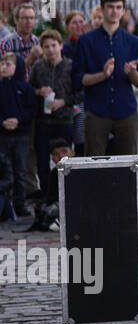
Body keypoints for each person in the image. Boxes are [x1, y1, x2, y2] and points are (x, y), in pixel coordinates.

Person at [72, 0, 138, 156]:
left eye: (119, 7)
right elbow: (78, 79)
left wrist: (132, 73)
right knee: (94, 163)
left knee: (128, 165)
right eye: (110, 7)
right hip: (97, 110)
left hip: (126, 110)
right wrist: (102, 75)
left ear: (123, 10)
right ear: (103, 9)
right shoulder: (86, 41)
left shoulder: (133, 41)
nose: (114, 11)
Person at [28, 30, 77, 204]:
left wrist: (63, 102)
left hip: (65, 120)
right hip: (44, 122)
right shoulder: (38, 67)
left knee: (64, 162)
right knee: (42, 162)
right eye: (46, 47)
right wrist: (38, 92)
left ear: (61, 46)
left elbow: (80, 93)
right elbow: (28, 90)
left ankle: (64, 197)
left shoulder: (71, 66)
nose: (50, 50)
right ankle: (47, 197)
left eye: (53, 45)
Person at [0, 52, 35, 221]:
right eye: (2, 64)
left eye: (9, 64)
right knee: (5, 171)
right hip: (3, 135)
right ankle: (5, 206)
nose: (4, 67)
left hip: (21, 135)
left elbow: (31, 110)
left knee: (20, 170)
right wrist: (3, 122)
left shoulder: (25, 88)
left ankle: (20, 204)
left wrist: (18, 121)